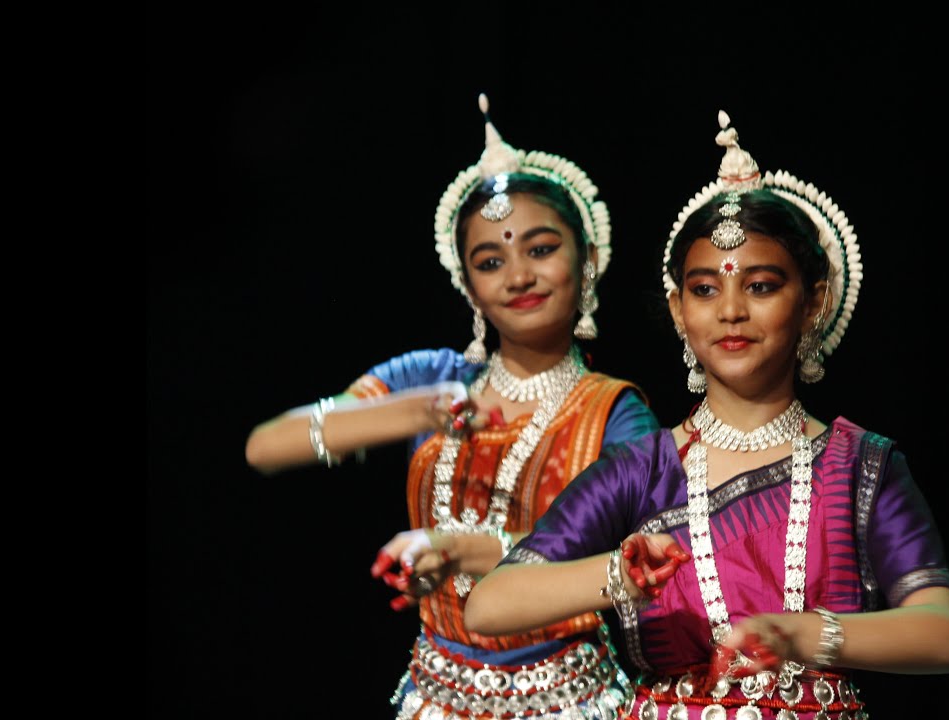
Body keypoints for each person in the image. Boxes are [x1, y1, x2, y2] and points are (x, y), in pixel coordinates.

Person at [464, 111, 949, 720]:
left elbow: (945, 633)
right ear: (679, 311)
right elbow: (489, 604)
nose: (730, 310)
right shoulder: (642, 470)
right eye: (705, 290)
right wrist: (617, 577)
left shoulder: (861, 465)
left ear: (814, 300)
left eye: (760, 286)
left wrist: (801, 634)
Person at [244, 95, 660, 720]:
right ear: (469, 287)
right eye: (490, 262)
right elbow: (268, 446)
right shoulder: (430, 379)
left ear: (589, 261)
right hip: (434, 699)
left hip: (570, 700)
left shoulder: (614, 413)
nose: (518, 276)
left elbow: (626, 564)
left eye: (541, 249)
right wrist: (419, 412)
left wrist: (457, 548)